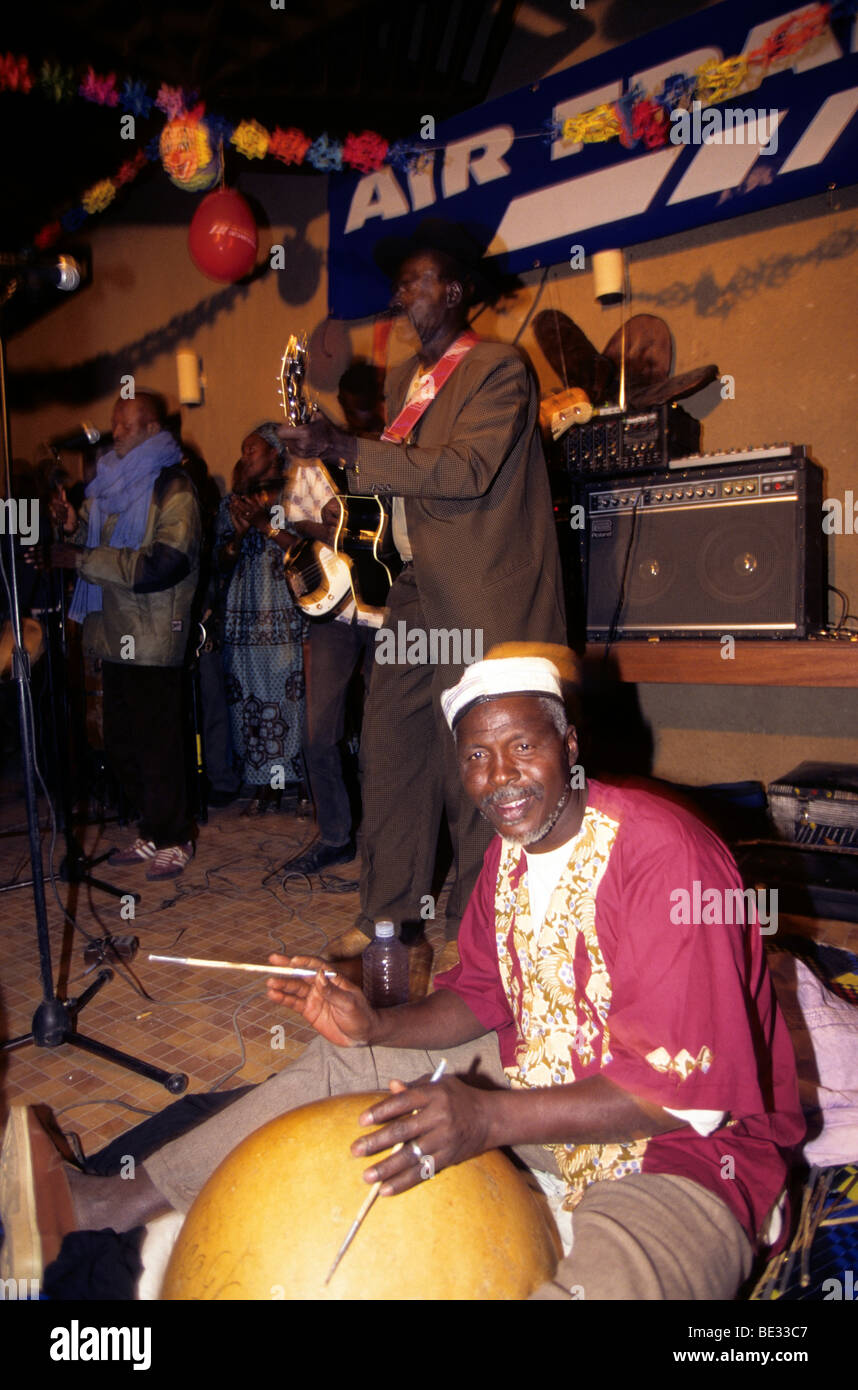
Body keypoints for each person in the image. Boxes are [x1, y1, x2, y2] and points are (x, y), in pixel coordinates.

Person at [1, 655, 804, 1300]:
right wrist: (380, 1028)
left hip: (693, 1153)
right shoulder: (507, 858)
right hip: (547, 1090)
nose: (503, 777)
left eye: (525, 746)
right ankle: (111, 1201)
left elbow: (684, 1096)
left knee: (619, 1270)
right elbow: (481, 997)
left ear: (570, 745)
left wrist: (487, 1122)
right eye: (478, 758)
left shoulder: (664, 856)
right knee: (353, 1063)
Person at [280, 223, 567, 969]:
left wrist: (347, 446)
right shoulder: (413, 377)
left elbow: (465, 470)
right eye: (401, 283)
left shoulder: (500, 367)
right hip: (412, 588)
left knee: (475, 758)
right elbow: (405, 483)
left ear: (460, 290)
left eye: (419, 280)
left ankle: (477, 942)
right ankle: (389, 916)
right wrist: (331, 470)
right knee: (391, 743)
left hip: (482, 593)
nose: (404, 294)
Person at [51, 392, 200, 880]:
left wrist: (83, 559)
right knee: (120, 743)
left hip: (155, 631)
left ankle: (176, 837)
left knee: (158, 744)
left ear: (153, 427)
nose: (115, 432)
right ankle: (152, 829)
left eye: (126, 425)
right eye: (114, 423)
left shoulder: (173, 484)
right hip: (115, 632)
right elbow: (98, 553)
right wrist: (70, 539)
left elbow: (167, 561)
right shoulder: (109, 488)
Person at [281, 363, 388, 875]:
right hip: (333, 609)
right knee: (318, 733)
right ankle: (336, 836)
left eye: (368, 403)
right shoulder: (313, 458)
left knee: (387, 735)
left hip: (389, 610)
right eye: (350, 402)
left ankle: (395, 842)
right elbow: (293, 513)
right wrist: (323, 527)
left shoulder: (397, 448)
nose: (358, 411)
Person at [214, 425, 307, 815]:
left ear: (274, 452)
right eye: (242, 450)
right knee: (248, 697)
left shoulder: (294, 494)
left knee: (292, 697)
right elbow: (217, 562)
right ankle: (264, 782)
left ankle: (301, 781)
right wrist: (235, 539)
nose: (245, 455)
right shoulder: (231, 502)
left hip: (285, 610)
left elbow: (307, 549)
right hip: (243, 614)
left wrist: (262, 526)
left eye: (252, 449)